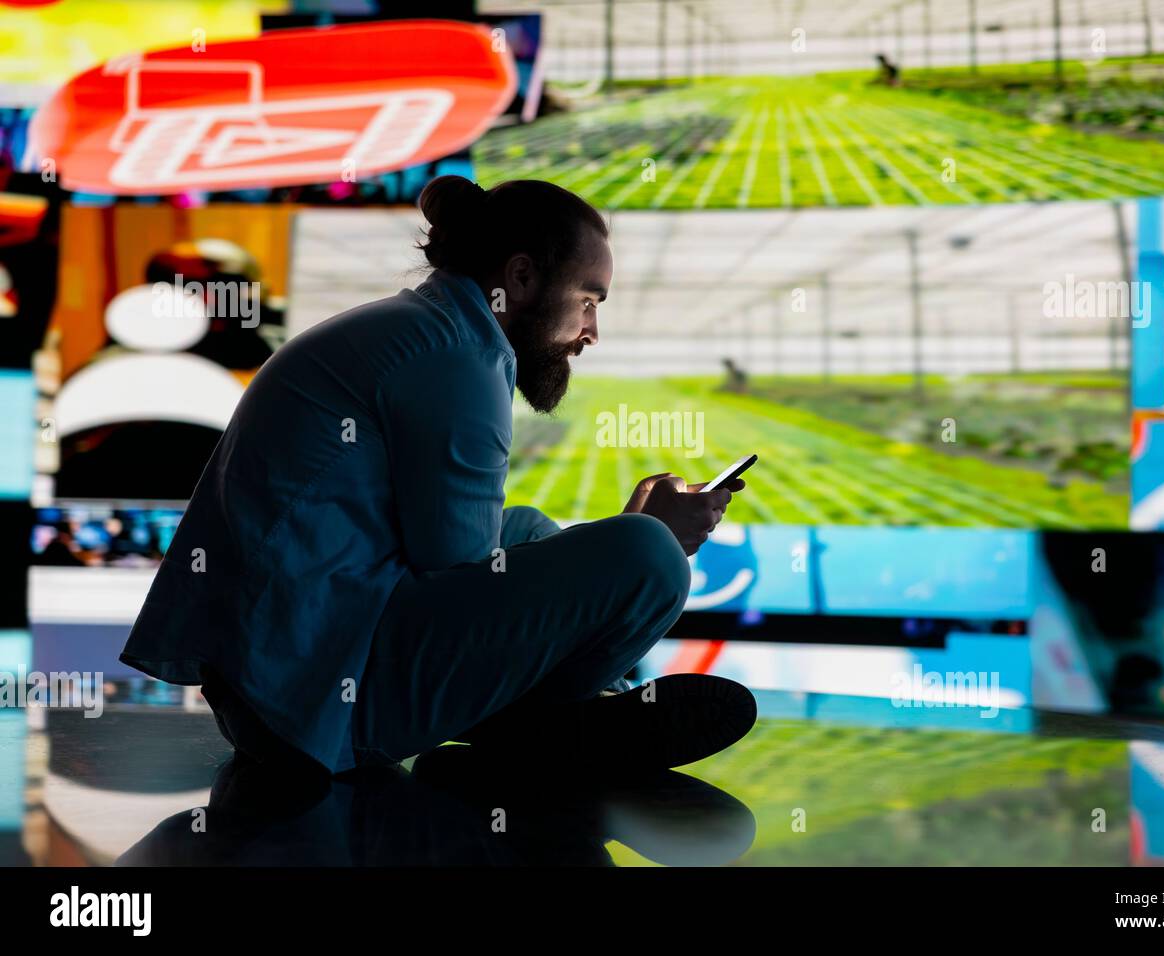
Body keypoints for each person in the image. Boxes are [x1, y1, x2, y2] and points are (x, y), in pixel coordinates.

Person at [120, 176, 757, 778]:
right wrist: (647, 535)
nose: (592, 331)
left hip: (276, 688)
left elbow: (461, 562)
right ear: (522, 277)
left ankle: (563, 720)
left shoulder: (422, 329)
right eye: (588, 300)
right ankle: (549, 726)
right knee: (648, 557)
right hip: (308, 711)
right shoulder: (459, 357)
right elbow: (457, 564)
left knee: (533, 530)